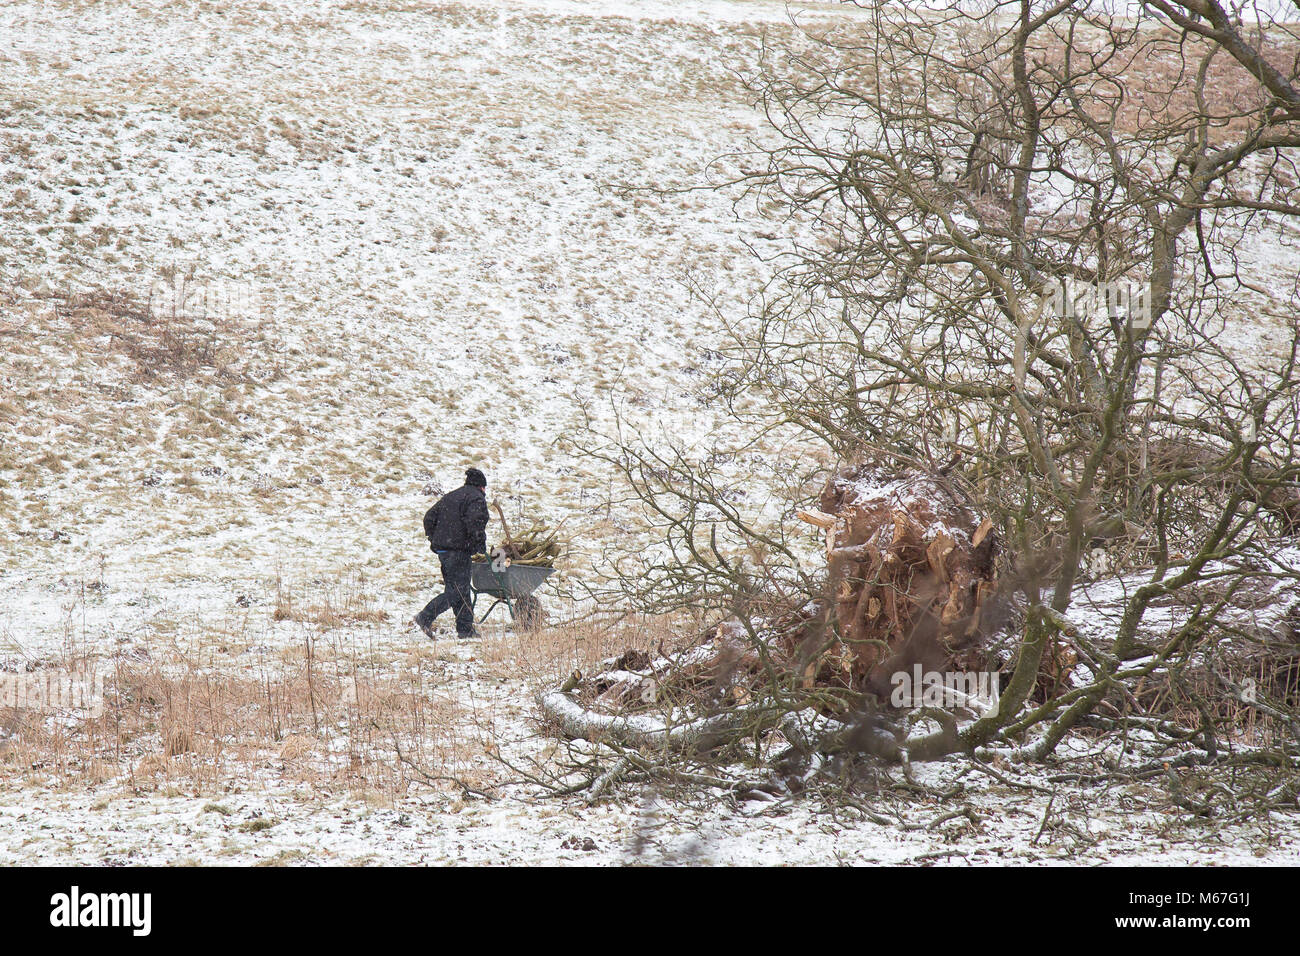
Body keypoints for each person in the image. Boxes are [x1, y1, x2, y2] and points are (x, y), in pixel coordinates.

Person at [413, 467, 490, 639]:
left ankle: (465, 630)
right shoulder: (476, 499)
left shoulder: (452, 496)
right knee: (457, 591)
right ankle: (425, 616)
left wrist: (434, 539)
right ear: (481, 486)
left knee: (460, 590)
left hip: (444, 550)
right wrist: (478, 546)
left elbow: (429, 517)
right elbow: (475, 524)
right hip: (458, 551)